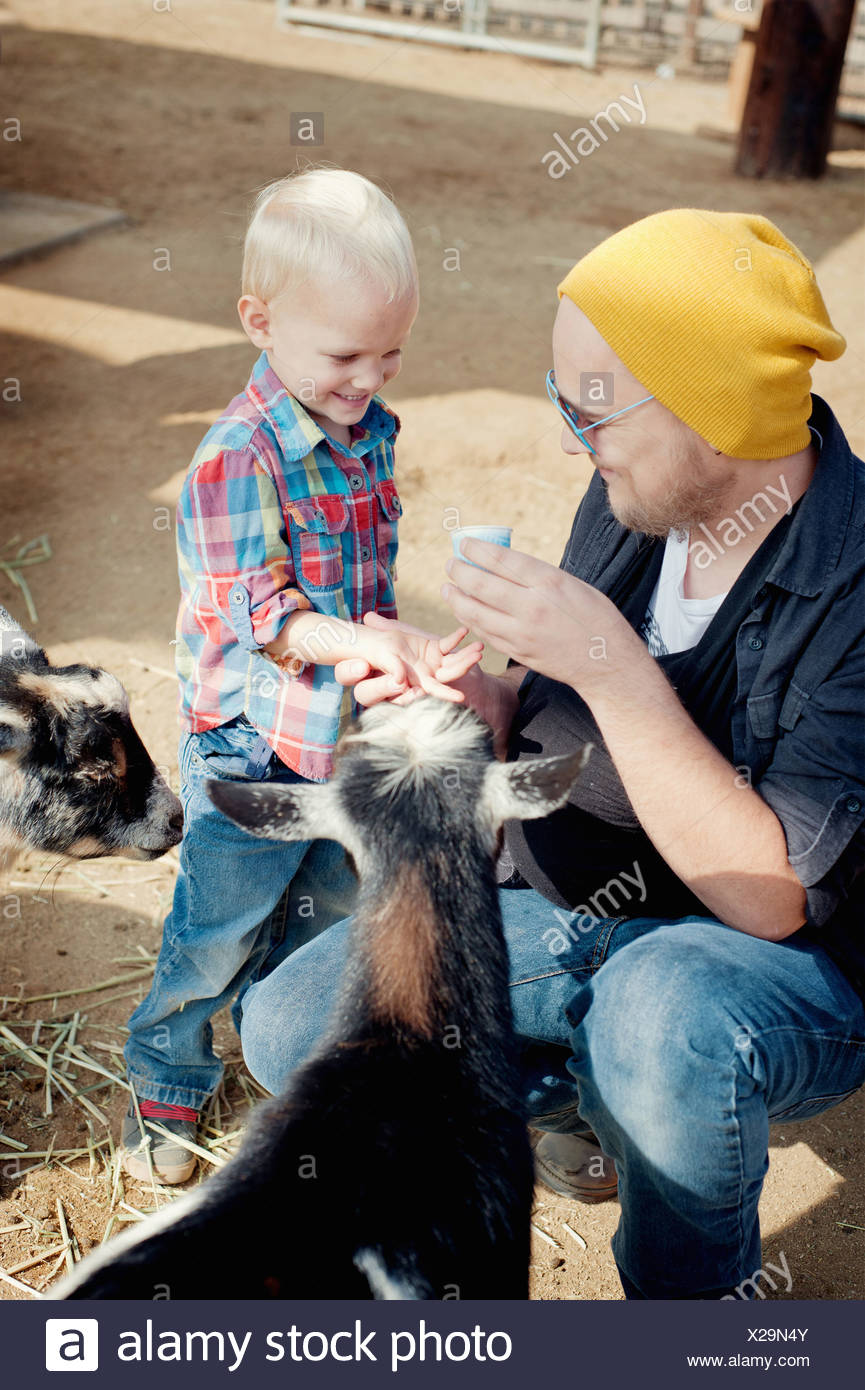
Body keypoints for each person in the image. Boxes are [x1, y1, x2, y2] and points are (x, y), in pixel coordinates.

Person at [236, 209, 865, 1299]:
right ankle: (586, 1096)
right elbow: (551, 708)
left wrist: (611, 660)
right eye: (563, 399)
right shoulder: (643, 486)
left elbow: (771, 901)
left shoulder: (853, 577)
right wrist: (477, 696)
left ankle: (688, 1313)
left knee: (659, 1011)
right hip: (571, 903)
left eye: (593, 408)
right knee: (292, 1026)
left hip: (764, 968)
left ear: (713, 410)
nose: (573, 438)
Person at [121, 169, 481, 1183]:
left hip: (335, 736)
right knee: (219, 922)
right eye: (345, 354)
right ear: (258, 319)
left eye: (391, 351)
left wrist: (397, 643)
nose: (371, 376)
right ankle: (165, 1071)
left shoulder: (366, 430)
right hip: (248, 737)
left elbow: (360, 581)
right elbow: (267, 617)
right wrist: (367, 643)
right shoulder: (238, 458)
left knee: (325, 909)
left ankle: (281, 1045)